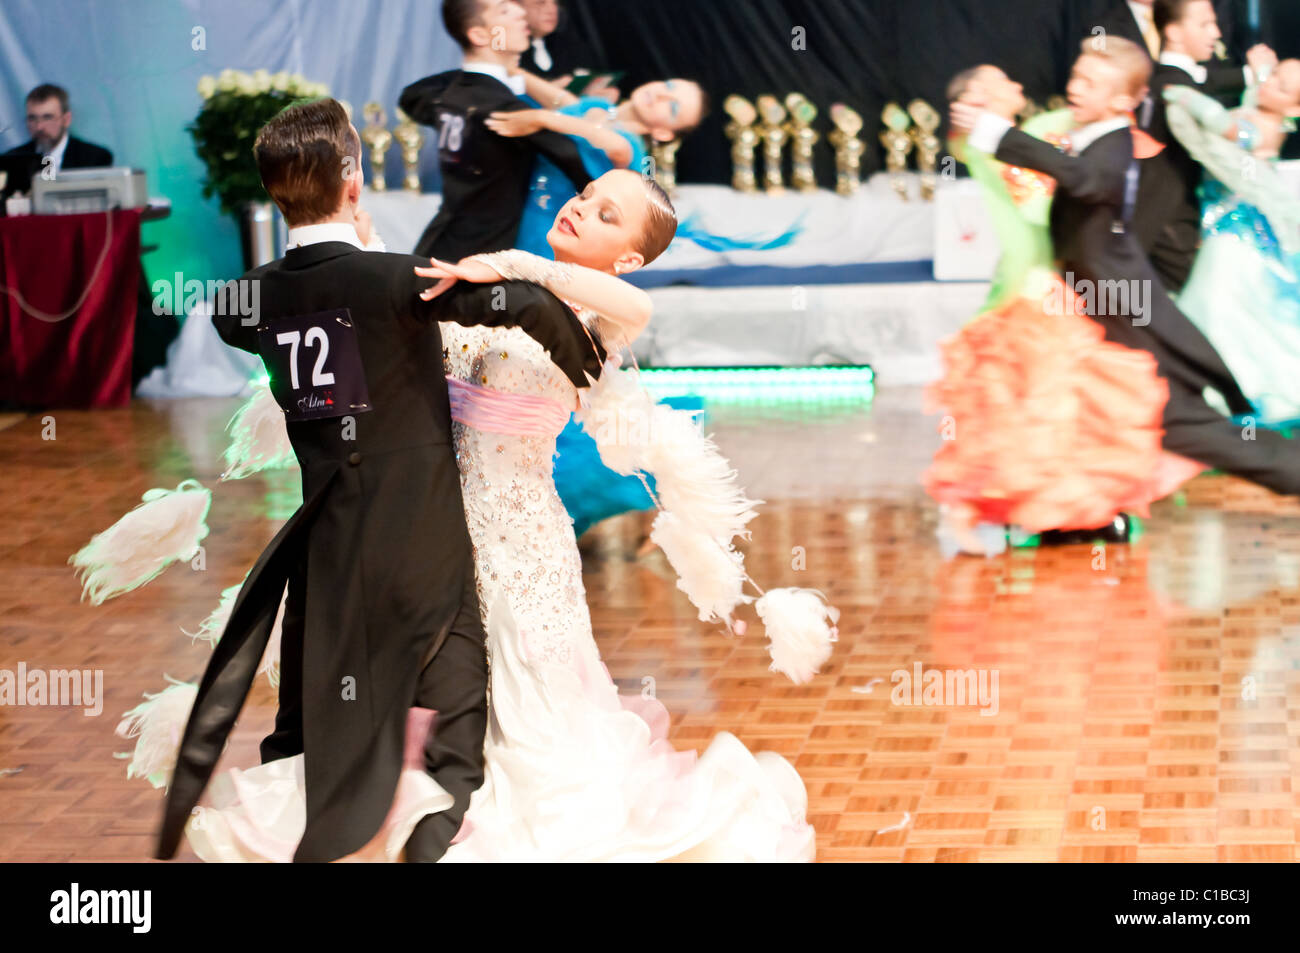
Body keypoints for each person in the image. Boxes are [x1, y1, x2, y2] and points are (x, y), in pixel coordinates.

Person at [172, 169, 817, 862]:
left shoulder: (600, 317)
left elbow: (639, 308)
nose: (580, 209)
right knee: (443, 689)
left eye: (606, 215)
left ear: (628, 255)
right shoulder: (483, 292)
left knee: (529, 701)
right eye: (584, 196)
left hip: (520, 541)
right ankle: (428, 813)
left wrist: (515, 263)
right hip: (433, 527)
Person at [153, 97, 610, 864]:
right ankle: (434, 824)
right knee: (457, 686)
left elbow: (231, 314)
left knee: (332, 680)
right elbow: (513, 301)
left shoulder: (249, 300)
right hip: (422, 531)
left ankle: (324, 804)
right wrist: (577, 353)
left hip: (329, 537)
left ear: (274, 193)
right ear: (354, 182)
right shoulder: (395, 280)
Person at [951, 36, 1300, 499]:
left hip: (1122, 310)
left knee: (1180, 423)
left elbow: (1085, 180)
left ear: (1120, 99)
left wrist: (998, 134)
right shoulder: (1085, 132)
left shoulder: (1113, 148)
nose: (1075, 87)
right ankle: (1080, 511)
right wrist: (979, 128)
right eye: (1076, 76)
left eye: (1089, 82)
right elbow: (1039, 153)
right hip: (1098, 308)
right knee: (1115, 414)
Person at [927, 65, 1198, 555]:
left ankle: (1073, 509)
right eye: (1000, 80)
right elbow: (981, 154)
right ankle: (990, 509)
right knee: (1024, 400)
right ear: (977, 94)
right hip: (1027, 285)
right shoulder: (982, 144)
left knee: (1068, 399)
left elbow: (1075, 128)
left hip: (1056, 279)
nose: (1015, 81)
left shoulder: (1031, 132)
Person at [398, 0, 593, 260]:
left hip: (438, 248)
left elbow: (411, 96)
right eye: (504, 9)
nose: (521, 13)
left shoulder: (454, 94)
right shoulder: (505, 109)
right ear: (478, 34)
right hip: (476, 262)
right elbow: (577, 161)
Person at [1162, 62, 1300, 426]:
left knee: (1218, 301)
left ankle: (1227, 393)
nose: (1270, 86)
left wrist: (1190, 98)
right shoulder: (1257, 104)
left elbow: (1233, 132)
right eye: (1272, 78)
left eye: (1282, 88)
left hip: (1238, 230)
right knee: (1227, 306)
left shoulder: (1266, 128)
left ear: (1295, 109)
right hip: (1218, 223)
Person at [1133, 0, 1276, 292]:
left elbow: (1209, 82)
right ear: (1172, 32)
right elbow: (1233, 132)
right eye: (1204, 24)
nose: (1216, 33)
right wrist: (1260, 79)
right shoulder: (1176, 92)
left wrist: (1253, 75)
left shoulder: (1169, 81)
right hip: (1170, 227)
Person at [4, 83, 112, 175]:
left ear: (66, 119)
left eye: (48, 118)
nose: (39, 127)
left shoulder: (94, 158)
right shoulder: (11, 160)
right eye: (32, 118)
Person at [517, 0, 611, 97]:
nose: (552, 10)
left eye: (555, 3)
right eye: (540, 3)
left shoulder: (567, 42)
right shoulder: (512, 54)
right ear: (517, 6)